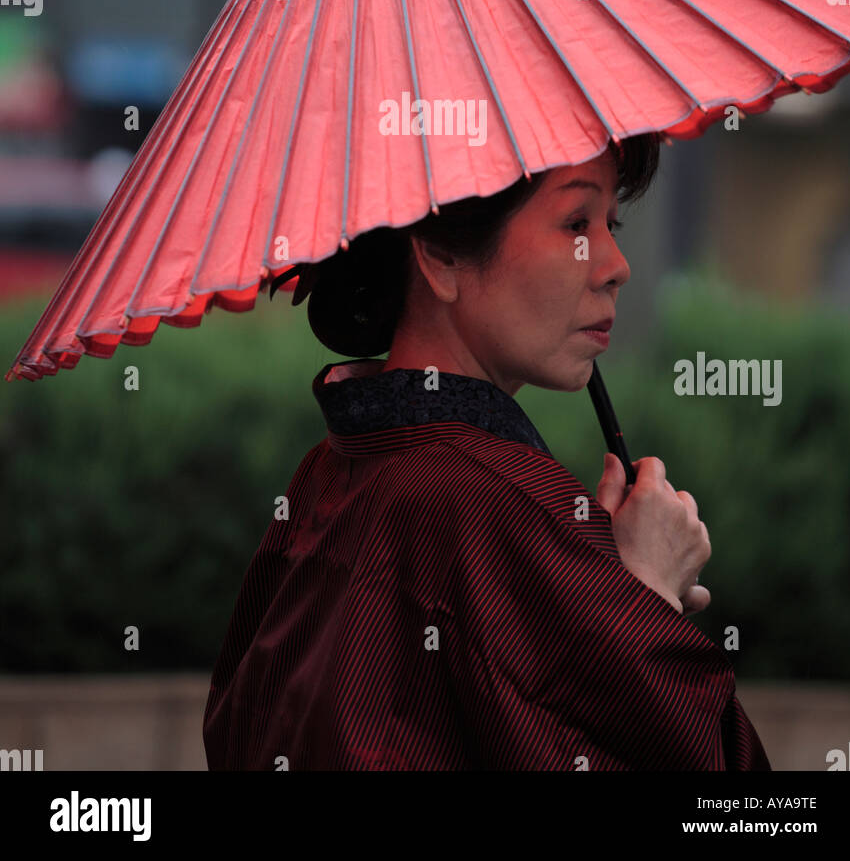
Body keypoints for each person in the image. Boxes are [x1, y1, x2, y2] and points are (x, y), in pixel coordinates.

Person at [202, 134, 771, 770]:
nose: (616, 264)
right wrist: (645, 602)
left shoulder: (328, 473)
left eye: (611, 222)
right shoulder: (492, 506)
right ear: (441, 256)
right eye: (576, 222)